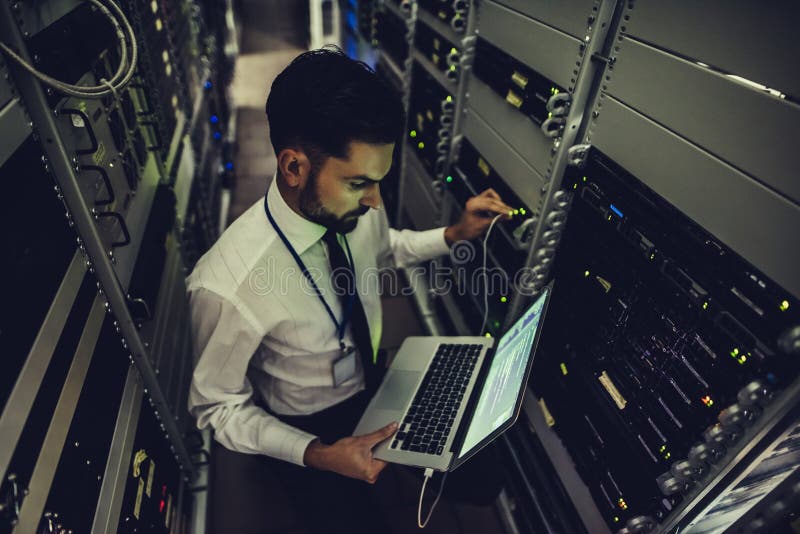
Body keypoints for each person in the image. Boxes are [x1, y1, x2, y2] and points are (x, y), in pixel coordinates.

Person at [187, 46, 511, 533]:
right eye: (360, 182)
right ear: (294, 168)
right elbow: (216, 407)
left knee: (485, 475)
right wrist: (316, 454)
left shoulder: (354, 212)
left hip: (372, 376)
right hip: (308, 422)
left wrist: (453, 235)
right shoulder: (226, 284)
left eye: (378, 180)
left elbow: (387, 248)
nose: (377, 201)